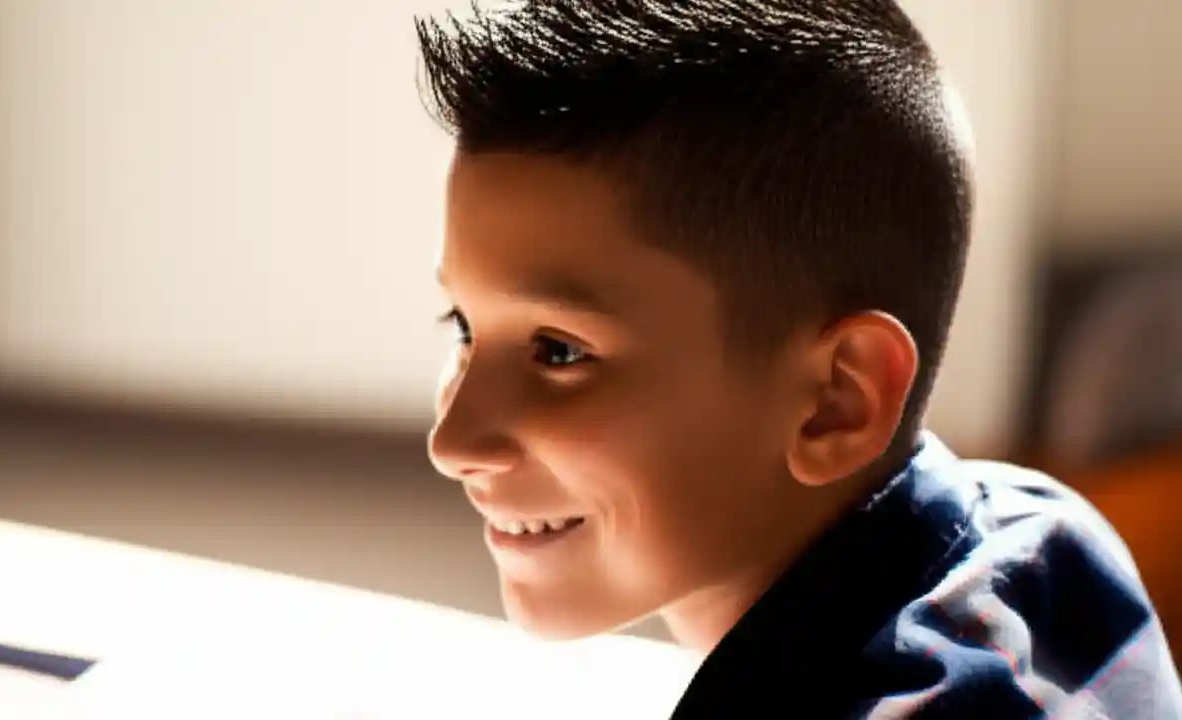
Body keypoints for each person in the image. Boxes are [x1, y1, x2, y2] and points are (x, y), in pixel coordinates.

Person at [414, 1, 1182, 716]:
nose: (452, 444)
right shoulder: (1040, 527)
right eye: (465, 328)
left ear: (834, 401)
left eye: (559, 351)